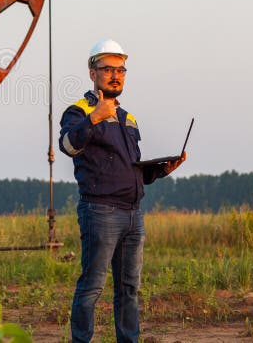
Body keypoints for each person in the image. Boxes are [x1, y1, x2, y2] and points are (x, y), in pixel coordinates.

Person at [59, 39, 186, 343]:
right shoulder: (78, 112)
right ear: (92, 73)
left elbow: (129, 168)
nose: (115, 75)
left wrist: (160, 170)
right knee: (92, 286)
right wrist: (96, 117)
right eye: (107, 69)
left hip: (132, 214)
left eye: (121, 70)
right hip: (100, 212)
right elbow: (67, 146)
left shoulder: (128, 118)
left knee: (129, 289)